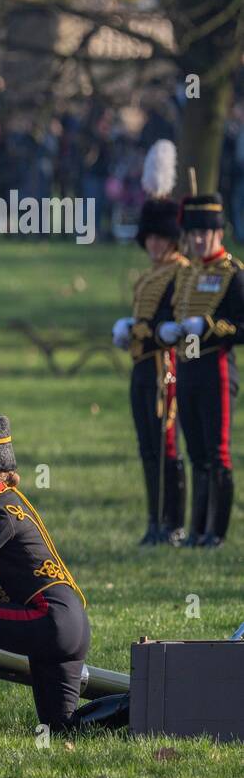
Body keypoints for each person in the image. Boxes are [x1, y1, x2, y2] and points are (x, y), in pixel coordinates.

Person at [0, 413, 91, 732]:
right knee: (62, 727)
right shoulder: (8, 501)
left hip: (47, 618)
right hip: (72, 623)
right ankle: (128, 715)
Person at [155, 191, 244, 546]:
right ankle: (197, 530)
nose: (196, 239)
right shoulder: (187, 275)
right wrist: (165, 328)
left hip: (217, 370)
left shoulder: (233, 274)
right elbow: (167, 311)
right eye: (191, 233)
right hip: (186, 367)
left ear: (217, 232)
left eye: (203, 233)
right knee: (196, 455)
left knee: (217, 451)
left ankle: (216, 532)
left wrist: (208, 325)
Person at [113, 141, 188, 545]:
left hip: (166, 367)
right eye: (152, 238)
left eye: (163, 238)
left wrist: (139, 328)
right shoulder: (148, 275)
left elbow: (168, 320)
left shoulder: (179, 273)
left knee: (167, 446)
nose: (156, 245)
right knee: (147, 446)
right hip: (143, 365)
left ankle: (173, 522)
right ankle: (154, 520)